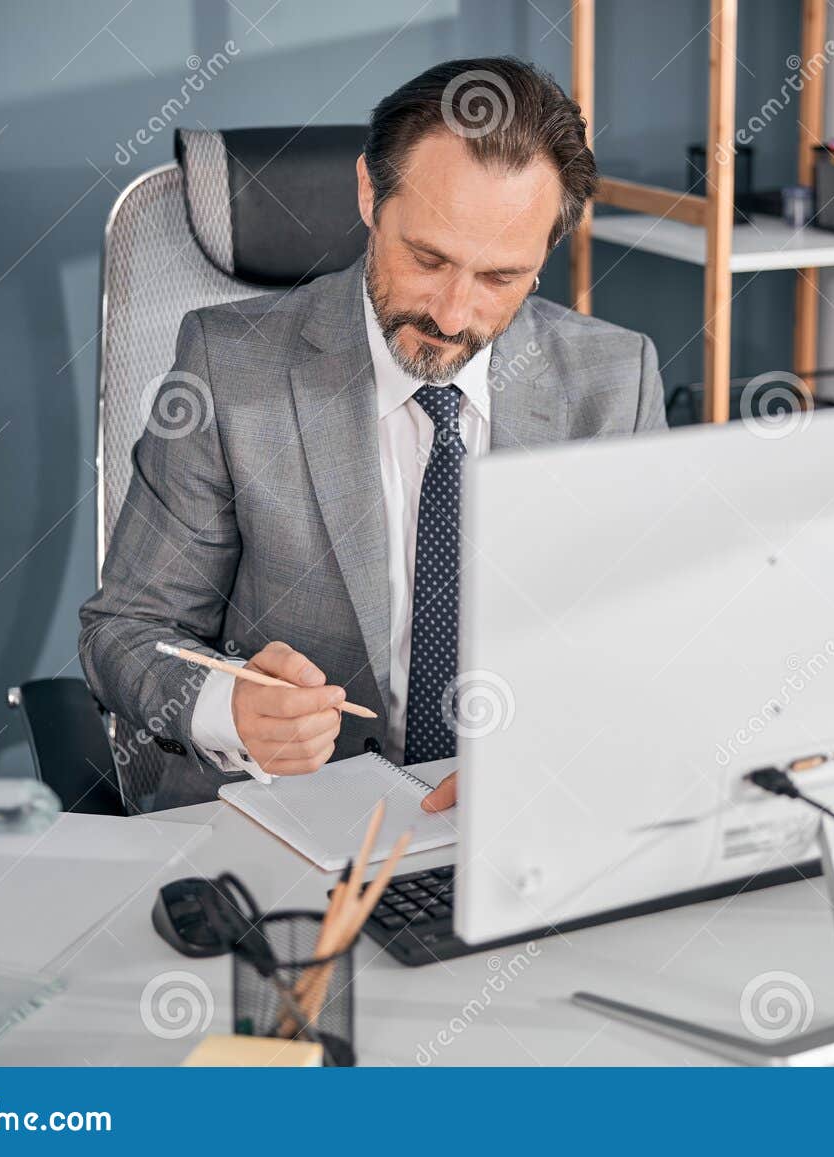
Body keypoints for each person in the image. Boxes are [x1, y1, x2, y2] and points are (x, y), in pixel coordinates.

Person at [79, 57, 667, 811]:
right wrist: (231, 709)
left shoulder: (615, 381)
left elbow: (649, 637)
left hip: (523, 819)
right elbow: (126, 629)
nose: (453, 316)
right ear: (368, 192)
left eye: (500, 278)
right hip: (290, 818)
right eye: (428, 258)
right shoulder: (229, 370)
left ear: (545, 253)